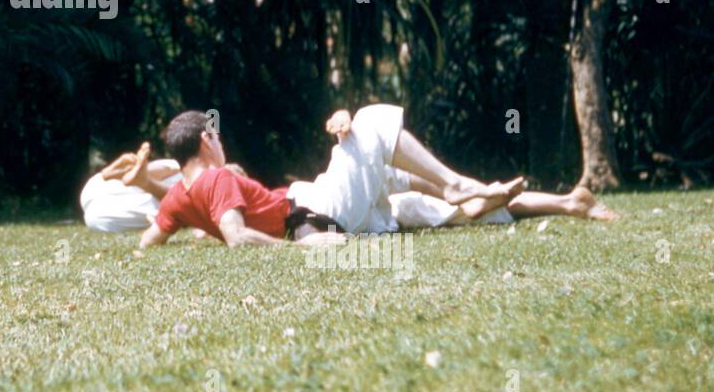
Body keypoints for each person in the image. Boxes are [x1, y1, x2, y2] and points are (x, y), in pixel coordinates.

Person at [138, 105, 526, 248]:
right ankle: (454, 184)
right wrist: (302, 247)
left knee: (400, 186)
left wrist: (196, 230)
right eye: (217, 137)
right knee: (369, 122)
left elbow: (147, 241)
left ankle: (482, 203)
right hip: (315, 213)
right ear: (206, 140)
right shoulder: (216, 179)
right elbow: (237, 236)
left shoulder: (177, 196)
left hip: (316, 205)